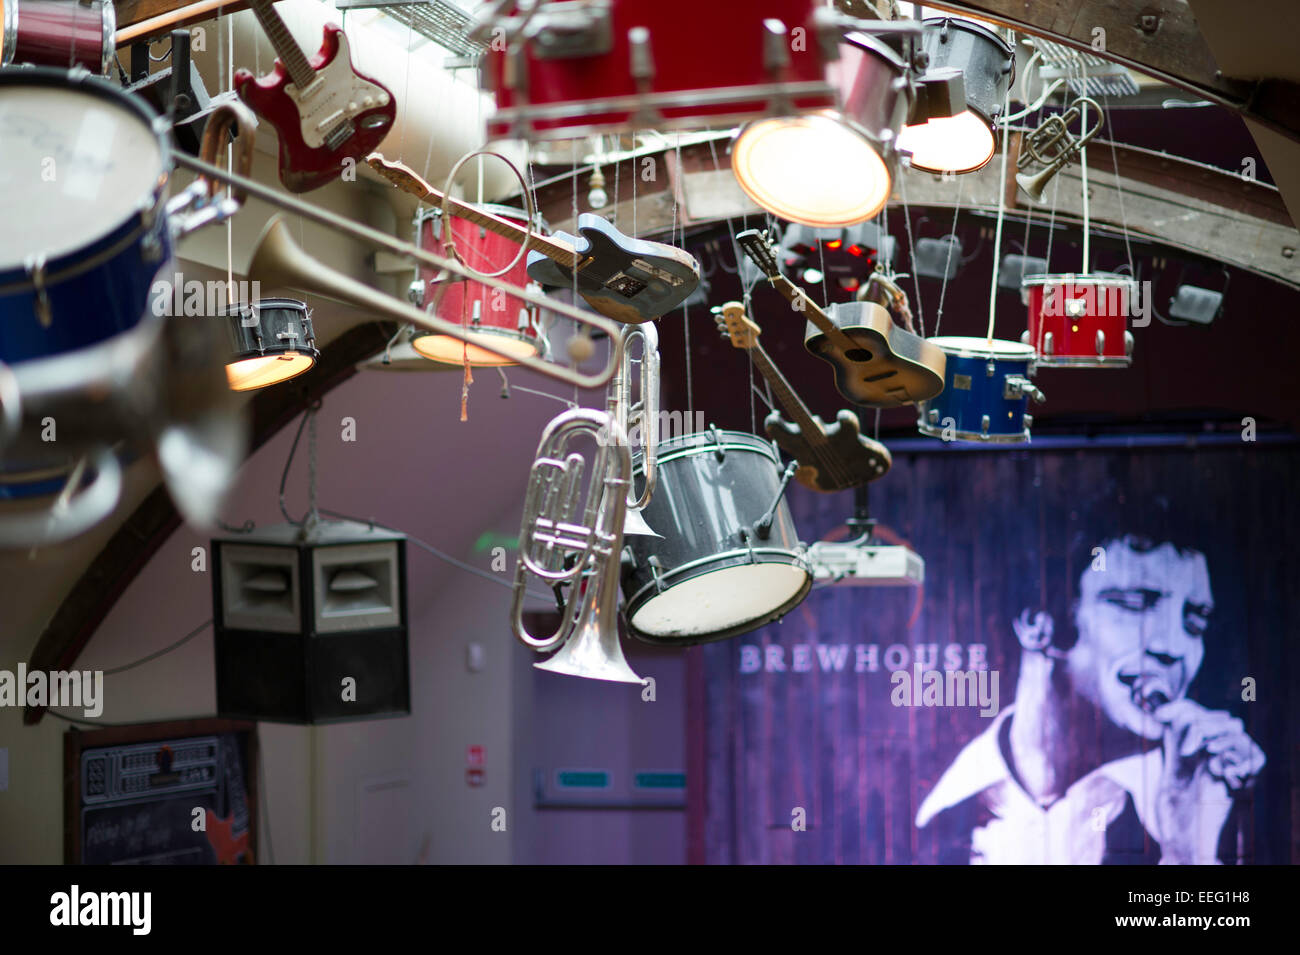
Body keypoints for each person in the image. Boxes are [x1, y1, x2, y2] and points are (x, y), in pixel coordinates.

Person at [915, 531, 1265, 864]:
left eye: (1195, 623)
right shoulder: (921, 814)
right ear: (1038, 624)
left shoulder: (1220, 806)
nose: (1174, 647)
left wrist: (1189, 856)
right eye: (1135, 604)